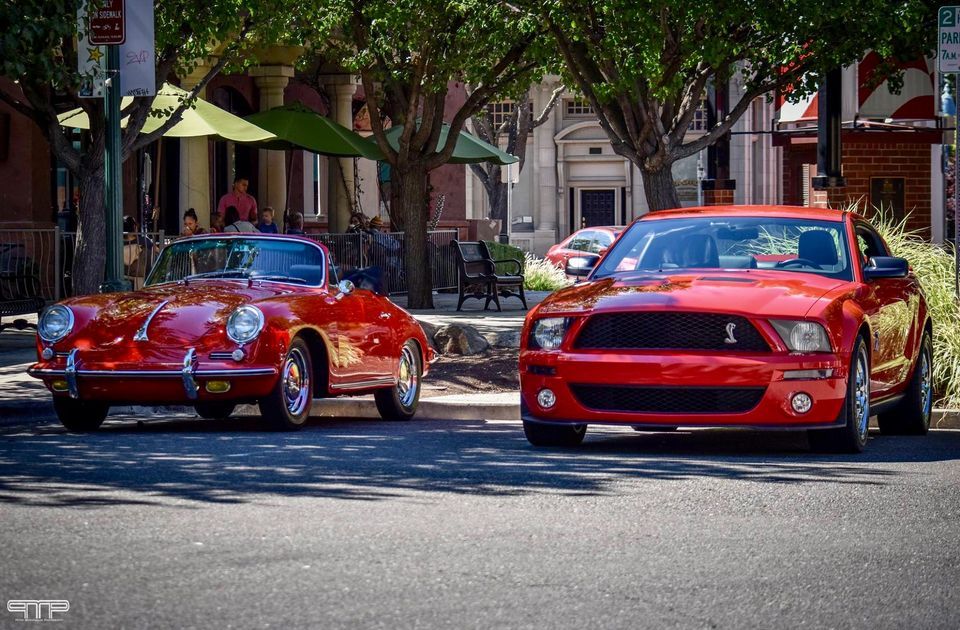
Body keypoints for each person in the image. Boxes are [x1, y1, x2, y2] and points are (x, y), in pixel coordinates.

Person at [122, 215, 160, 289]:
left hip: (125, 273)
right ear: (135, 228)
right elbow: (158, 251)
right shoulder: (143, 241)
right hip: (143, 274)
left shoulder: (118, 244)